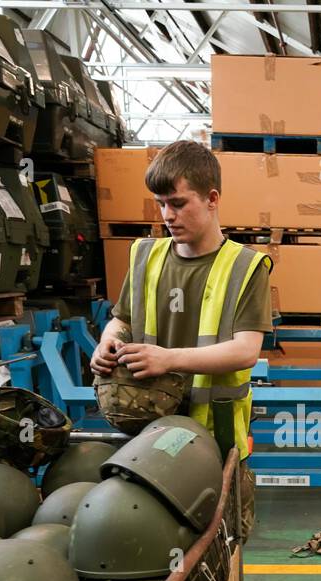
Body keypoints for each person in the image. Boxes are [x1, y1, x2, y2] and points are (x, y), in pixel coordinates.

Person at [90, 140, 273, 537]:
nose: (167, 215)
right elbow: (122, 319)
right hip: (148, 436)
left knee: (221, 546)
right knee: (153, 542)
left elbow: (246, 351)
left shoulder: (245, 267)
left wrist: (167, 359)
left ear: (212, 199)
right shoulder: (144, 256)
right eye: (160, 204)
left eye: (177, 203)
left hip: (216, 438)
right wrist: (107, 341)